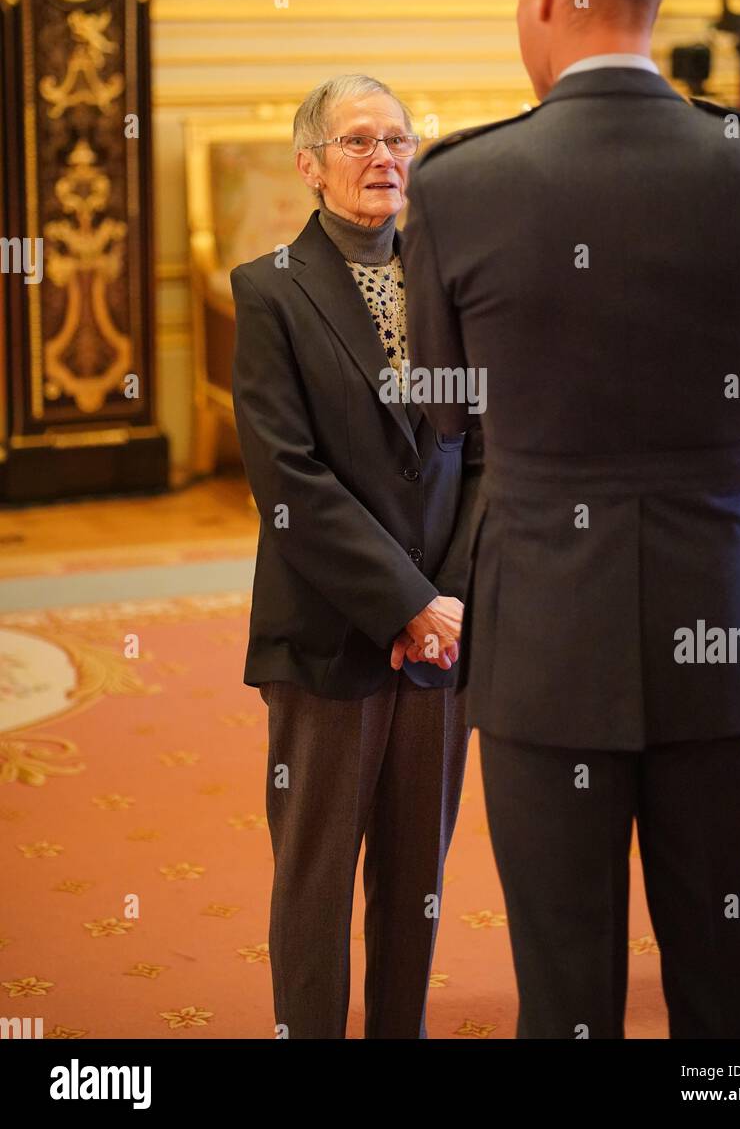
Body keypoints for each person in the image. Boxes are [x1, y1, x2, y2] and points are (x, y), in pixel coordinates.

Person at [401, 0, 740, 1039]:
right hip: (724, 619)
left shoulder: (457, 185)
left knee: (563, 985)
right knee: (725, 979)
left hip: (544, 642)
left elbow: (441, 418)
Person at [230, 74, 481, 1038]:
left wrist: (446, 604)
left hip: (443, 643)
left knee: (416, 880)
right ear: (309, 166)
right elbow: (289, 481)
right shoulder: (269, 292)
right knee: (317, 880)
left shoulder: (453, 279)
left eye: (400, 140)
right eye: (359, 142)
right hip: (330, 637)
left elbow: (485, 453)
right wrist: (405, 603)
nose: (385, 158)